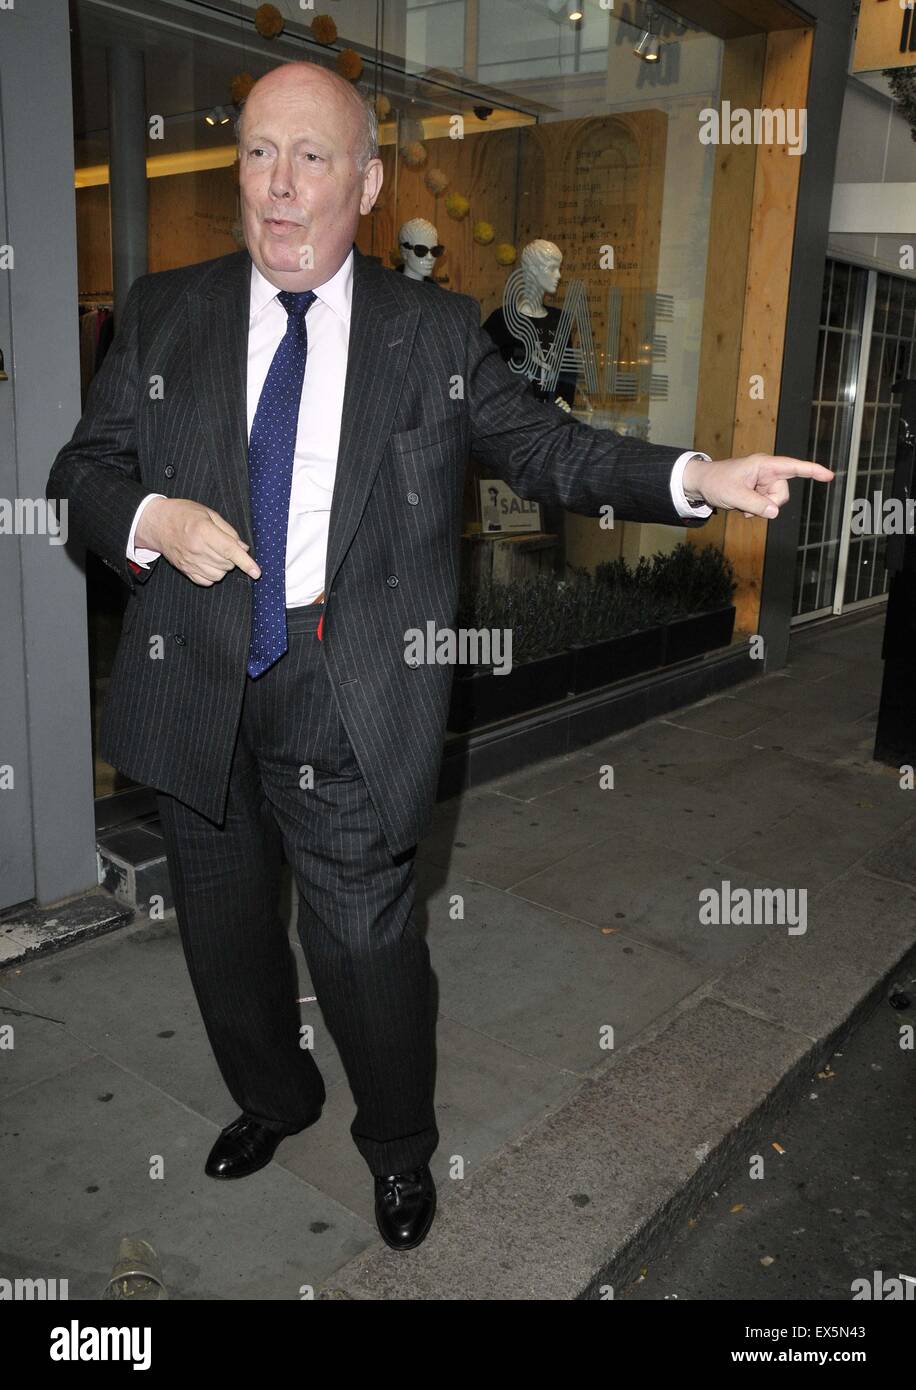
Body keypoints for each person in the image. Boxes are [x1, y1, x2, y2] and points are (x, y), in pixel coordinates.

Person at [46, 59, 834, 1253]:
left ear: (363, 183)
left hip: (345, 684)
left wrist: (694, 478)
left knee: (365, 944)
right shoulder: (166, 311)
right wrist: (148, 519)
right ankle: (274, 1096)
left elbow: (548, 450)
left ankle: (398, 1148)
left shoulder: (430, 333)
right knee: (223, 933)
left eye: (312, 158)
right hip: (195, 680)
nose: (279, 187)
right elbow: (81, 474)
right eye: (258, 153)